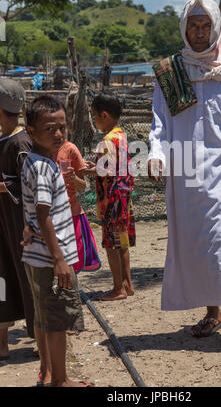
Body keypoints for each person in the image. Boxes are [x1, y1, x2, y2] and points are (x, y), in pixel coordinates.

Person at [148, 0, 221, 343]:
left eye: (205, 25)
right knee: (196, 242)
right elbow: (159, 123)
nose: (199, 31)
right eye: (193, 25)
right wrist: (156, 154)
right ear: (184, 28)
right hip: (184, 170)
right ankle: (210, 313)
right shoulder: (170, 71)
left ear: (215, 27)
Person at [21, 95, 92, 387]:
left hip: (38, 257)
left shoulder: (37, 161)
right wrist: (60, 259)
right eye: (50, 128)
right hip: (50, 259)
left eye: (62, 127)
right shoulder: (42, 167)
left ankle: (49, 371)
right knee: (57, 320)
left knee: (43, 317)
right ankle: (60, 380)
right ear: (31, 131)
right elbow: (43, 214)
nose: (58, 134)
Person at [84, 91, 135, 301]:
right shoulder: (121, 136)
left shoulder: (107, 139)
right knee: (121, 241)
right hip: (123, 195)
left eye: (95, 117)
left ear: (104, 115)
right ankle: (127, 284)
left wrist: (87, 170)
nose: (95, 121)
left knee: (111, 244)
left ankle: (117, 289)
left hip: (111, 198)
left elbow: (105, 170)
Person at [0, 79, 35, 360]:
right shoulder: (4, 140)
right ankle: (2, 343)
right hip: (3, 227)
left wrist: (7, 187)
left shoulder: (20, 143)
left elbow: (32, 187)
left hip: (19, 227)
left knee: (28, 279)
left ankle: (41, 341)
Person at [53, 139, 101, 275]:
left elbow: (82, 186)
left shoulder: (70, 149)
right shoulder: (39, 148)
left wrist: (73, 178)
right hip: (48, 215)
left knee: (70, 264)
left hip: (70, 214)